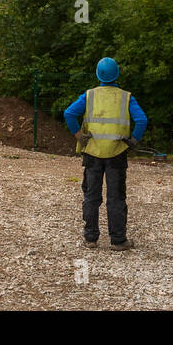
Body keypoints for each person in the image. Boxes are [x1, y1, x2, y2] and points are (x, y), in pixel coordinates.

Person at [63, 56, 148, 251]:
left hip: (92, 153)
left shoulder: (89, 95)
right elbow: (142, 120)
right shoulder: (126, 97)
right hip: (117, 154)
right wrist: (133, 141)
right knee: (116, 197)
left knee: (92, 196)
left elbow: (68, 113)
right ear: (117, 74)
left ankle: (90, 238)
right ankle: (118, 240)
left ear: (98, 74)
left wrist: (79, 135)